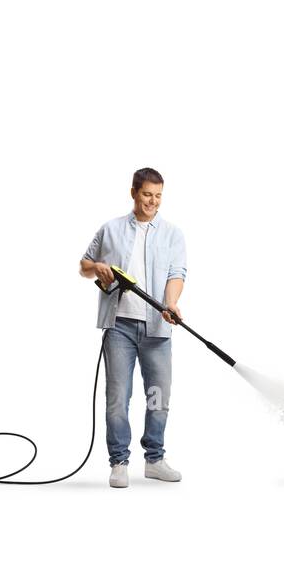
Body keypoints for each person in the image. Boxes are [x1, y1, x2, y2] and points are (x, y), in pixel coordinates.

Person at [79, 167, 187, 488]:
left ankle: (154, 458)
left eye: (158, 196)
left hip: (157, 328)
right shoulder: (110, 229)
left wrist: (170, 303)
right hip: (120, 327)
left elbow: (176, 274)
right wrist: (97, 266)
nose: (152, 201)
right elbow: (84, 265)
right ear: (133, 193)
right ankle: (119, 462)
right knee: (117, 397)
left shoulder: (172, 234)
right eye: (146, 195)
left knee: (158, 396)